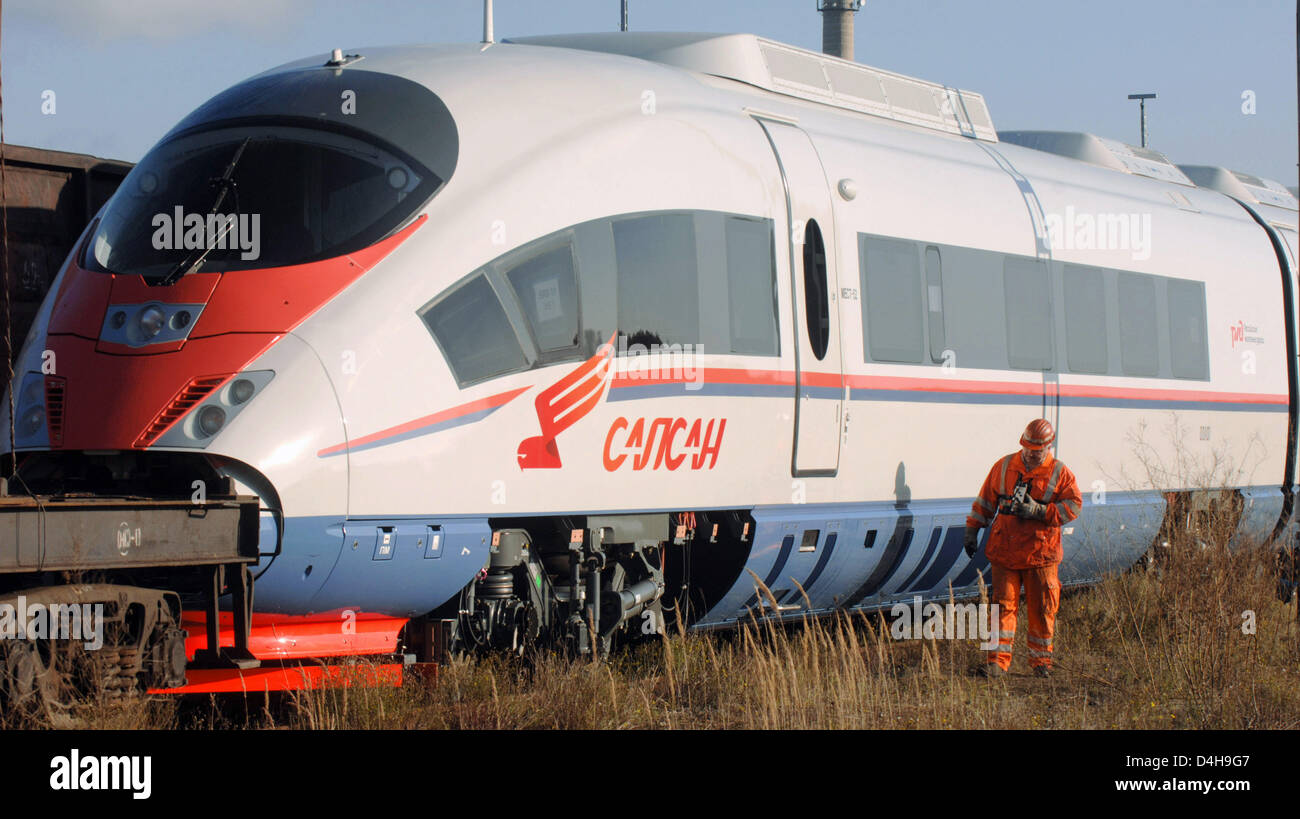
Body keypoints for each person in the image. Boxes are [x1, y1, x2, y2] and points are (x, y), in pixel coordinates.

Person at [963, 418, 1081, 679]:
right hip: (1005, 551)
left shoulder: (1060, 473)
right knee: (1001, 608)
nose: (1030, 453)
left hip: (1041, 555)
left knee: (1042, 610)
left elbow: (1074, 506)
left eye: (1036, 450)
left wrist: (1040, 511)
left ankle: (1041, 663)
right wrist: (972, 530)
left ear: (1048, 447)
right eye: (1027, 447)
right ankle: (996, 662)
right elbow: (985, 501)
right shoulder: (1005, 466)